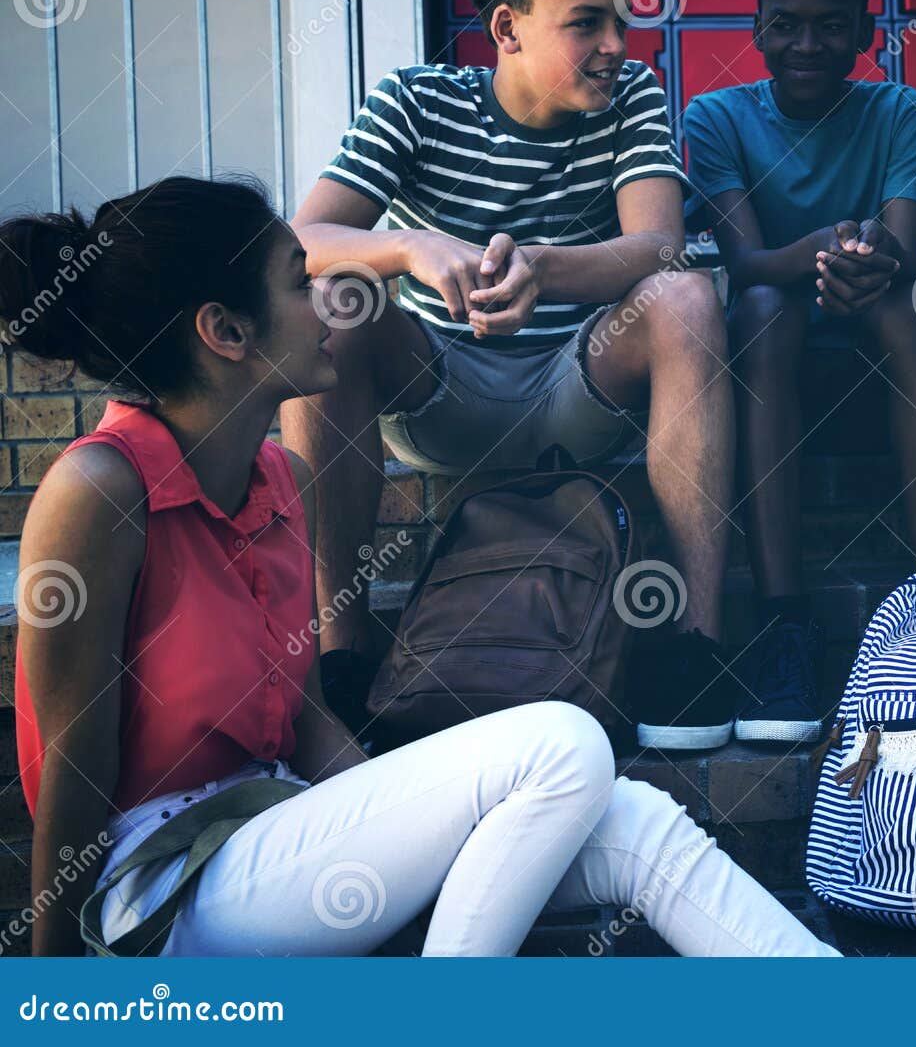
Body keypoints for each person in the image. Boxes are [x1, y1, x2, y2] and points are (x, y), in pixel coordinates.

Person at [1, 176, 838, 958]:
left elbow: (306, 720)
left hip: (283, 837)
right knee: (562, 742)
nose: (332, 301)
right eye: (301, 283)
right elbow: (72, 775)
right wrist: (60, 1003)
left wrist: (412, 817)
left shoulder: (280, 481)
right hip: (166, 884)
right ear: (225, 332)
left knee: (631, 819)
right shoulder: (99, 490)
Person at [281, 0, 738, 750]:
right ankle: (338, 655)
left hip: (574, 379)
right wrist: (413, 246)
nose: (616, 45)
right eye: (586, 23)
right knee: (334, 305)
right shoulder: (415, 101)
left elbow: (659, 245)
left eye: (621, 21)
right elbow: (300, 241)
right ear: (508, 28)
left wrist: (542, 264)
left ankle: (695, 646)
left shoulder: (632, 95)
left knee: (689, 297)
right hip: (440, 384)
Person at [683, 0, 916, 744]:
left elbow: (904, 247)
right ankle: (784, 621)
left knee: (911, 306)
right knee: (765, 305)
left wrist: (863, 254)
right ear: (758, 31)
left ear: (867, 32)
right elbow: (746, 259)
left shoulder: (900, 109)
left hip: (878, 345)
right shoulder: (717, 116)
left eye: (832, 26)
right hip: (772, 349)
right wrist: (830, 252)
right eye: (787, 25)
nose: (809, 44)